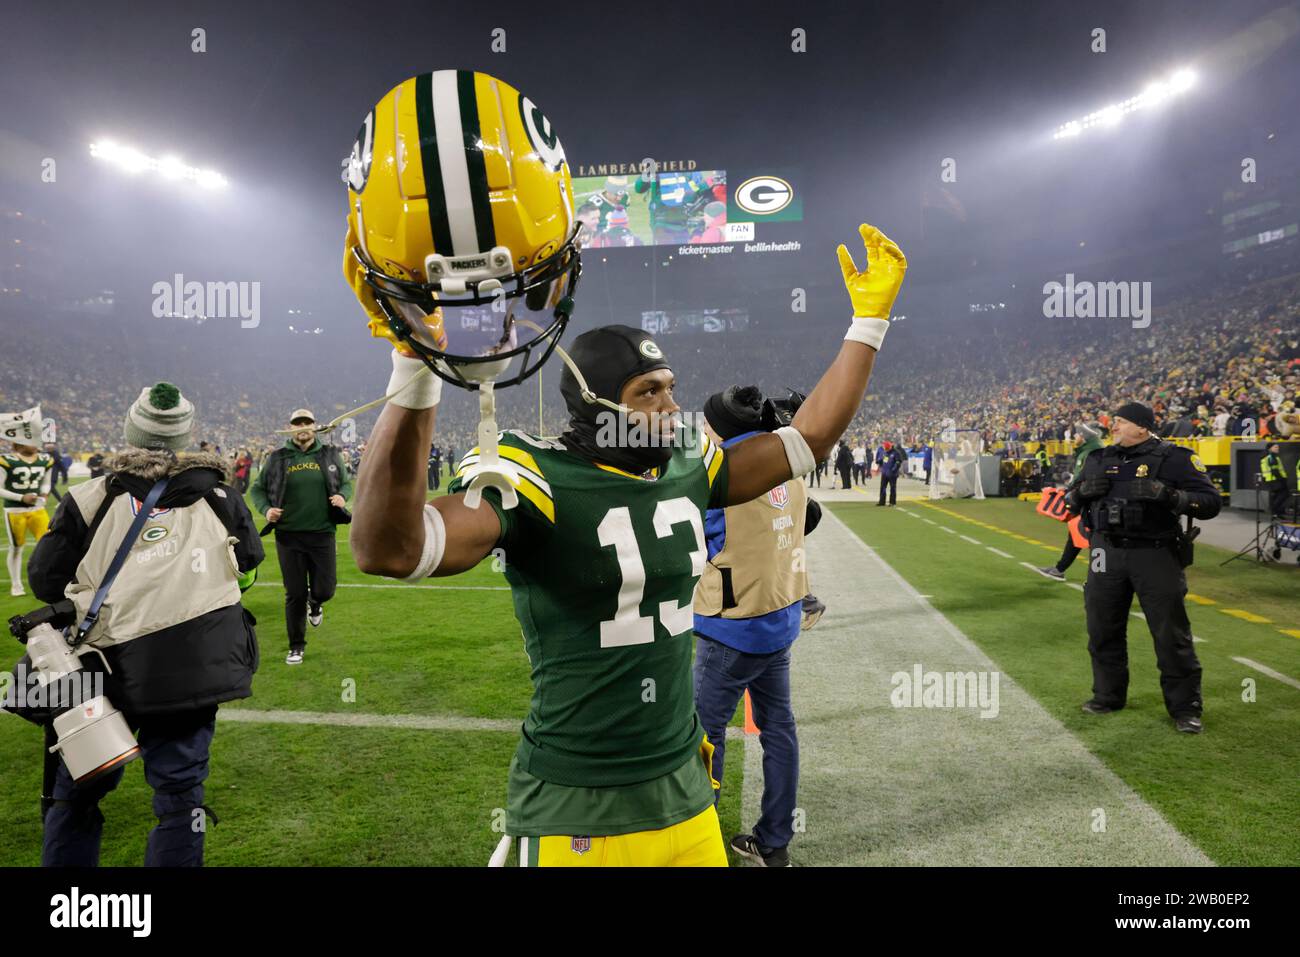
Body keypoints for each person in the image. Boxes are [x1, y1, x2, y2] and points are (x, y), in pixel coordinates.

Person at [341, 72, 907, 867]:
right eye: (650, 392)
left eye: (672, 386)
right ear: (595, 405)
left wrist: (868, 322)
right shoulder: (533, 477)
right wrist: (415, 363)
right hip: (578, 805)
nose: (671, 405)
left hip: (684, 790)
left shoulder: (686, 461)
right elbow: (390, 549)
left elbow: (807, 439)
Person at [24, 381, 263, 866]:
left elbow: (45, 580)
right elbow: (252, 557)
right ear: (183, 438)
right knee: (181, 800)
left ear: (132, 432)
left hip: (101, 665)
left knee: (76, 793)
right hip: (193, 665)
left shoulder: (90, 497)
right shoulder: (220, 496)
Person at [692, 385, 823, 867]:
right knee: (779, 730)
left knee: (703, 737)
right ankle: (774, 842)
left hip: (730, 627)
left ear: (720, 428)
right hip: (780, 618)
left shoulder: (717, 472)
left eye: (707, 423)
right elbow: (807, 519)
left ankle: (697, 841)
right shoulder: (788, 460)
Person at [1067, 402, 1220, 734]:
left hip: (1155, 552)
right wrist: (1081, 494)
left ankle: (1185, 708)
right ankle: (1107, 696)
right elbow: (1067, 502)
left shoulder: (1175, 458)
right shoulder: (1098, 458)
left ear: (1142, 426)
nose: (1114, 427)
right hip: (1105, 552)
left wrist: (1168, 495)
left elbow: (1210, 502)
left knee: (1170, 634)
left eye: (1120, 422)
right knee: (1102, 627)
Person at [250, 408, 353, 665]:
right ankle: (296, 645)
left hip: (323, 534)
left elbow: (346, 482)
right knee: (294, 593)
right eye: (298, 423)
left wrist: (343, 497)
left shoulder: (329, 454)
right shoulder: (278, 458)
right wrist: (266, 510)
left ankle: (316, 602)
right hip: (288, 536)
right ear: (291, 428)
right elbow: (257, 489)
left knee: (325, 589)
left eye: (307, 422)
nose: (303, 426)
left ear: (314, 426)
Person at [1036, 421, 1107, 581]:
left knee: (1096, 539)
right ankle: (1060, 569)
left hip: (1093, 504)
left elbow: (1091, 481)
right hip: (1087, 502)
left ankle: (1100, 575)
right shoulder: (1088, 452)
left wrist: (1075, 492)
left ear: (1085, 436)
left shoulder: (1093, 453)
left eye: (1077, 434)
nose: (1075, 436)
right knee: (1076, 534)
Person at [2, 432, 53, 597]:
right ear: (20, 443)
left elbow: (46, 482)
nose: (37, 444)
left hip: (37, 510)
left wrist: (44, 495)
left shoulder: (45, 460)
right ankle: (16, 584)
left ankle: (48, 579)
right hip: (15, 511)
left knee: (48, 545)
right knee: (16, 548)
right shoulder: (7, 461)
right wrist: (21, 497)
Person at [1259, 442, 1293, 518]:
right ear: (1270, 449)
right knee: (1284, 494)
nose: (1277, 448)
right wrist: (1282, 479)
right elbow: (1274, 470)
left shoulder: (1267, 457)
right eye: (1275, 447)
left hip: (1271, 480)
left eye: (1277, 447)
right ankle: (1274, 510)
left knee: (1276, 496)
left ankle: (1275, 513)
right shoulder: (1271, 457)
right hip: (1275, 480)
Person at [876, 440, 903, 505]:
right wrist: (879, 461)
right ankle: (882, 502)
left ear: (890, 447)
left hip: (892, 474)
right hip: (885, 473)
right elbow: (885, 461)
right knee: (883, 487)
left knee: (892, 488)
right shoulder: (885, 453)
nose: (886, 450)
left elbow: (898, 462)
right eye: (885, 449)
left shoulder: (896, 453)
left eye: (887, 449)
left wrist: (893, 470)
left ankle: (892, 502)